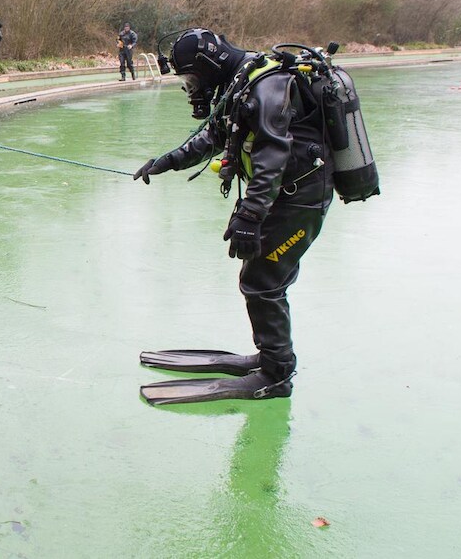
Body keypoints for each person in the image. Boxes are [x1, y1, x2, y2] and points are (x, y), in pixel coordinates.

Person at [131, 28, 353, 405]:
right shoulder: (243, 82)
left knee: (263, 281)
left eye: (191, 79)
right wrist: (167, 161)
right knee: (261, 278)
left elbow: (271, 155)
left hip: (302, 200)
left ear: (208, 65)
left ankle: (276, 374)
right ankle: (269, 358)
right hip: (285, 196)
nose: (191, 88)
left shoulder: (265, 87)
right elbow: (216, 135)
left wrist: (250, 217)